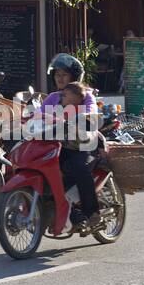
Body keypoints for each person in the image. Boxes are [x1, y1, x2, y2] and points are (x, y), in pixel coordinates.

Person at [39, 54, 101, 227]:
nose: (59, 78)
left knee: (77, 168)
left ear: (73, 77)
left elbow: (90, 110)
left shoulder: (86, 95)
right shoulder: (52, 97)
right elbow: (39, 114)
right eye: (57, 74)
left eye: (64, 74)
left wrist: (81, 116)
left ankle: (92, 212)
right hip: (58, 144)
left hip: (81, 144)